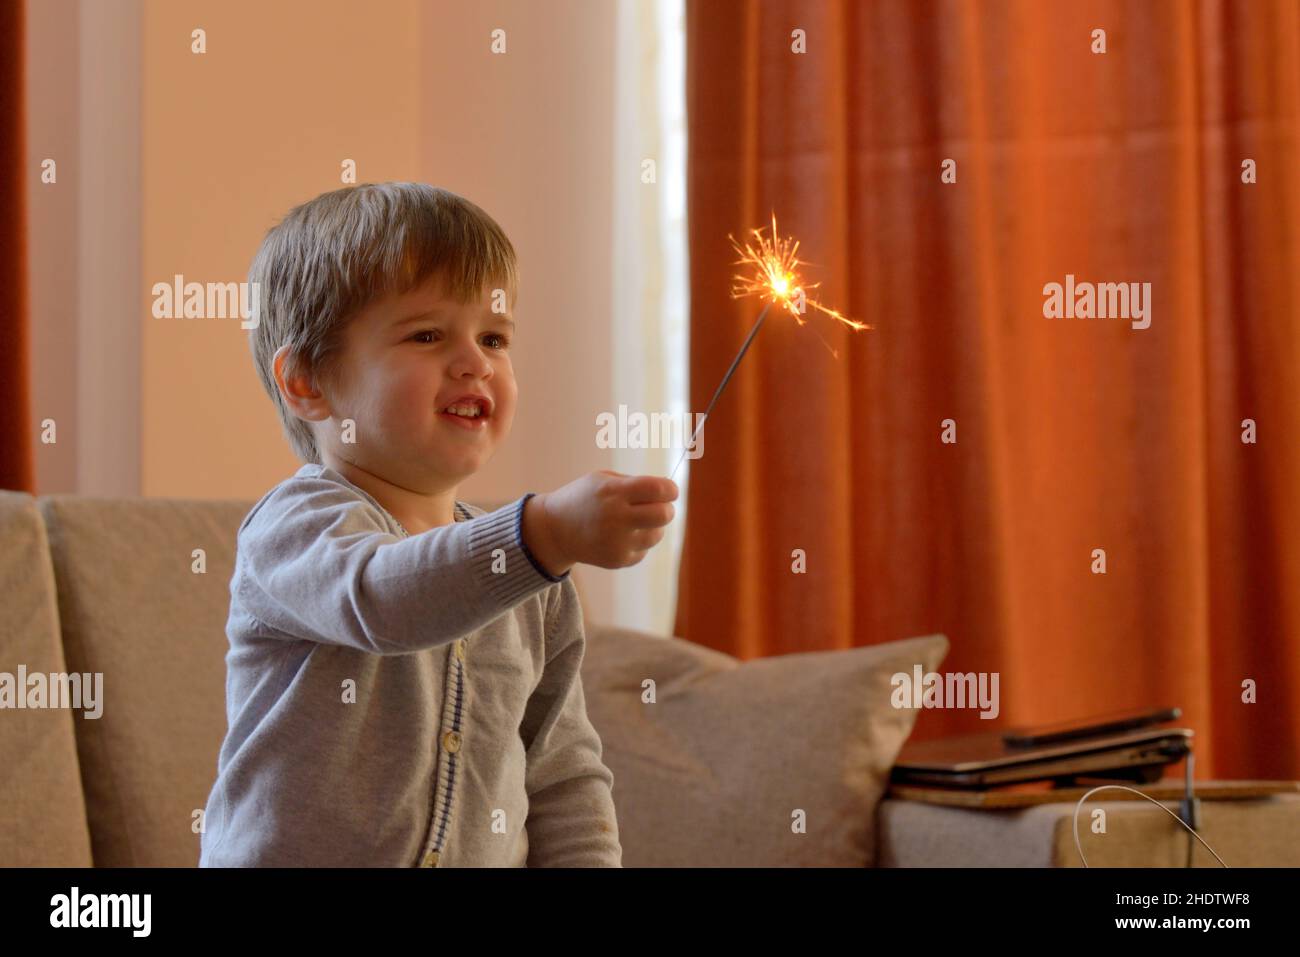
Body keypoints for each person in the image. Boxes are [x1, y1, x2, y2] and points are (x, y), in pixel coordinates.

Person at [199, 182, 677, 867]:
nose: (475, 361)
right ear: (307, 382)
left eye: (494, 337)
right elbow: (382, 600)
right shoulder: (296, 526)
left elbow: (561, 768)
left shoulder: (533, 579)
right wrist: (540, 535)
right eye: (427, 334)